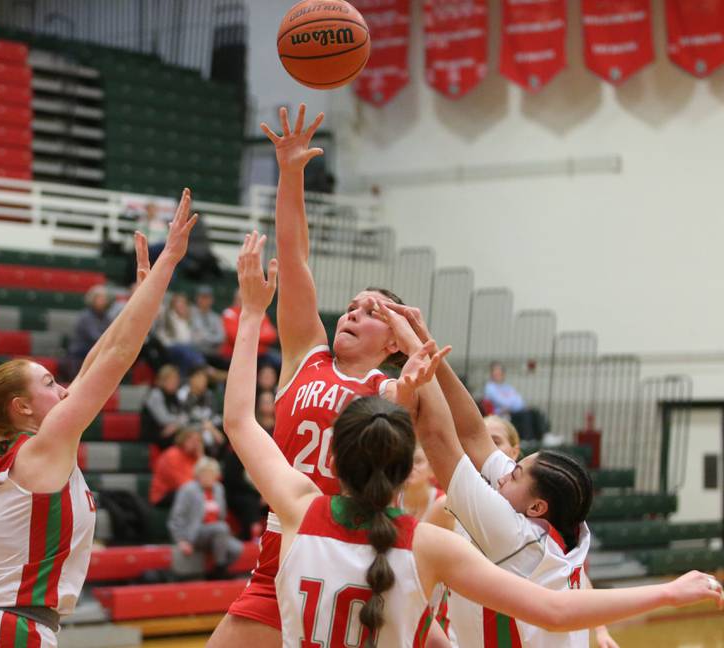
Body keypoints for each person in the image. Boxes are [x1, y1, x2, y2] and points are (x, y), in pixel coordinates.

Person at [220, 234, 723, 647]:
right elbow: (553, 604)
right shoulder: (446, 541)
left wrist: (251, 313)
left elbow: (241, 421)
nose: (504, 466)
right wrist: (668, 593)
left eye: (515, 469)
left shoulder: (300, 511)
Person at [208, 106, 430, 647]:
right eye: (351, 306)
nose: (352, 313)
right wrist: (290, 174)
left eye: (372, 311)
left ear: (397, 339)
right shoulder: (307, 356)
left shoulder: (392, 394)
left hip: (352, 555)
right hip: (281, 552)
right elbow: (295, 257)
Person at [0, 188, 198, 648]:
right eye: (48, 383)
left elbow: (99, 358)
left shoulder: (23, 450)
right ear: (21, 408)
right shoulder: (42, 448)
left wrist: (138, 298)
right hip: (7, 629)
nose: (63, 387)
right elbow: (117, 357)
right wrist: (168, 263)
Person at [381, 303, 627, 648]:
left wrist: (414, 352)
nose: (503, 476)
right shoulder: (562, 523)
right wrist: (428, 344)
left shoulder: (512, 533)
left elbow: (439, 437)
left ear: (537, 507)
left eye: (515, 475)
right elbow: (473, 435)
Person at [168, 457, 243, 580]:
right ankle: (220, 568)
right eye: (205, 474)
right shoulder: (188, 490)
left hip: (216, 534)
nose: (209, 477)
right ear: (198, 475)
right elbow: (176, 517)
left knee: (236, 548)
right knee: (221, 527)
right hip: (194, 533)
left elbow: (221, 516)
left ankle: (213, 573)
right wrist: (181, 540)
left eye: (211, 474)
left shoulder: (218, 489)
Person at [220, 289, 280, 369]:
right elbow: (235, 337)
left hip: (261, 354)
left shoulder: (259, 313)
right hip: (236, 355)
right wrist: (259, 334)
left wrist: (248, 335)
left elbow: (272, 335)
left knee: (281, 363)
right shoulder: (229, 313)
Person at [149, 425, 205, 508]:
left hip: (188, 490)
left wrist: (201, 456)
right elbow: (182, 483)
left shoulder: (195, 456)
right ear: (182, 439)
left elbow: (212, 477)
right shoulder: (172, 455)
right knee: (193, 493)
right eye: (191, 439)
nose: (195, 443)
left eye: (198, 441)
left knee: (215, 490)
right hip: (164, 495)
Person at [64, 285, 112, 379]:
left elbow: (111, 332)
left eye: (104, 298)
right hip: (81, 351)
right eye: (100, 298)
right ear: (93, 299)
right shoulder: (86, 317)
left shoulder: (106, 317)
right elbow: (94, 337)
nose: (103, 301)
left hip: (95, 350)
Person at [155, 293, 207, 378]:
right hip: (169, 347)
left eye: (183, 303)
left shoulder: (188, 319)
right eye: (178, 303)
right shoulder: (168, 315)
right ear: (173, 305)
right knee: (185, 352)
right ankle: (202, 366)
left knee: (194, 350)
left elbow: (192, 338)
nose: (181, 306)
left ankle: (199, 369)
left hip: (185, 347)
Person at [141, 364, 189, 451]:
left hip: (171, 431)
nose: (175, 382)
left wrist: (176, 425)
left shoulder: (175, 396)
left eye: (176, 379)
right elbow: (163, 419)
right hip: (154, 434)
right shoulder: (155, 394)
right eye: (171, 379)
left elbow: (185, 416)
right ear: (162, 380)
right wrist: (178, 423)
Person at [189, 285, 227, 368]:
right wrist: (211, 338)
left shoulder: (216, 317)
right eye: (202, 297)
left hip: (213, 353)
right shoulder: (190, 313)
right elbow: (195, 339)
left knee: (228, 363)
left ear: (211, 300)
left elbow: (221, 337)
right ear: (197, 298)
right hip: (196, 351)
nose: (204, 300)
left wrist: (205, 336)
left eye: (207, 297)